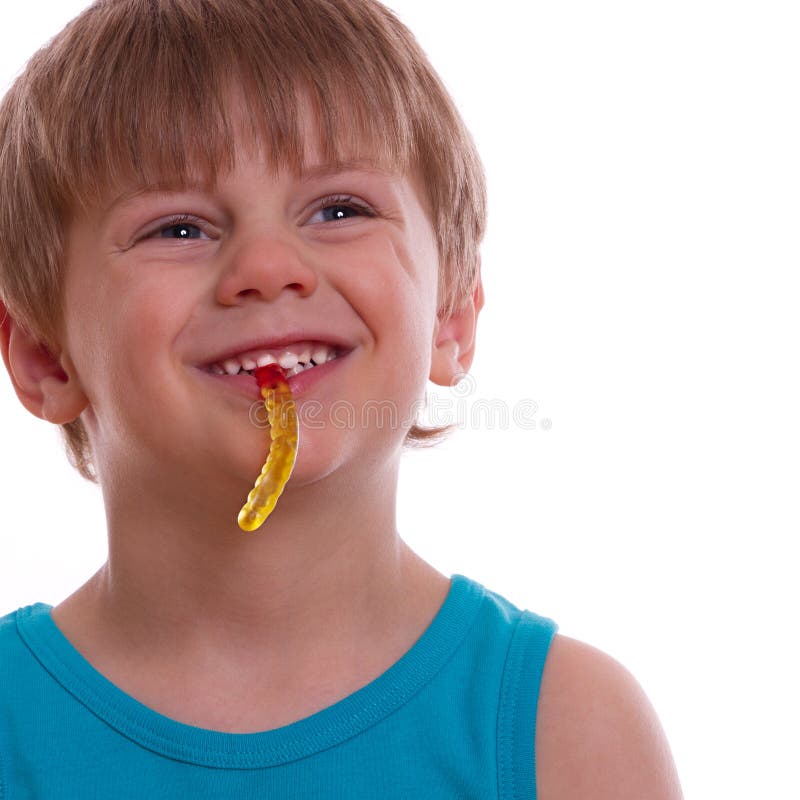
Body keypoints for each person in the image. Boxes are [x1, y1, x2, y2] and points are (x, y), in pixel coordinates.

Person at [0, 1, 682, 796]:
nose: (267, 263)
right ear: (45, 356)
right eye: (178, 229)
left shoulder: (569, 731)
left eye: (340, 210)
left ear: (450, 317)